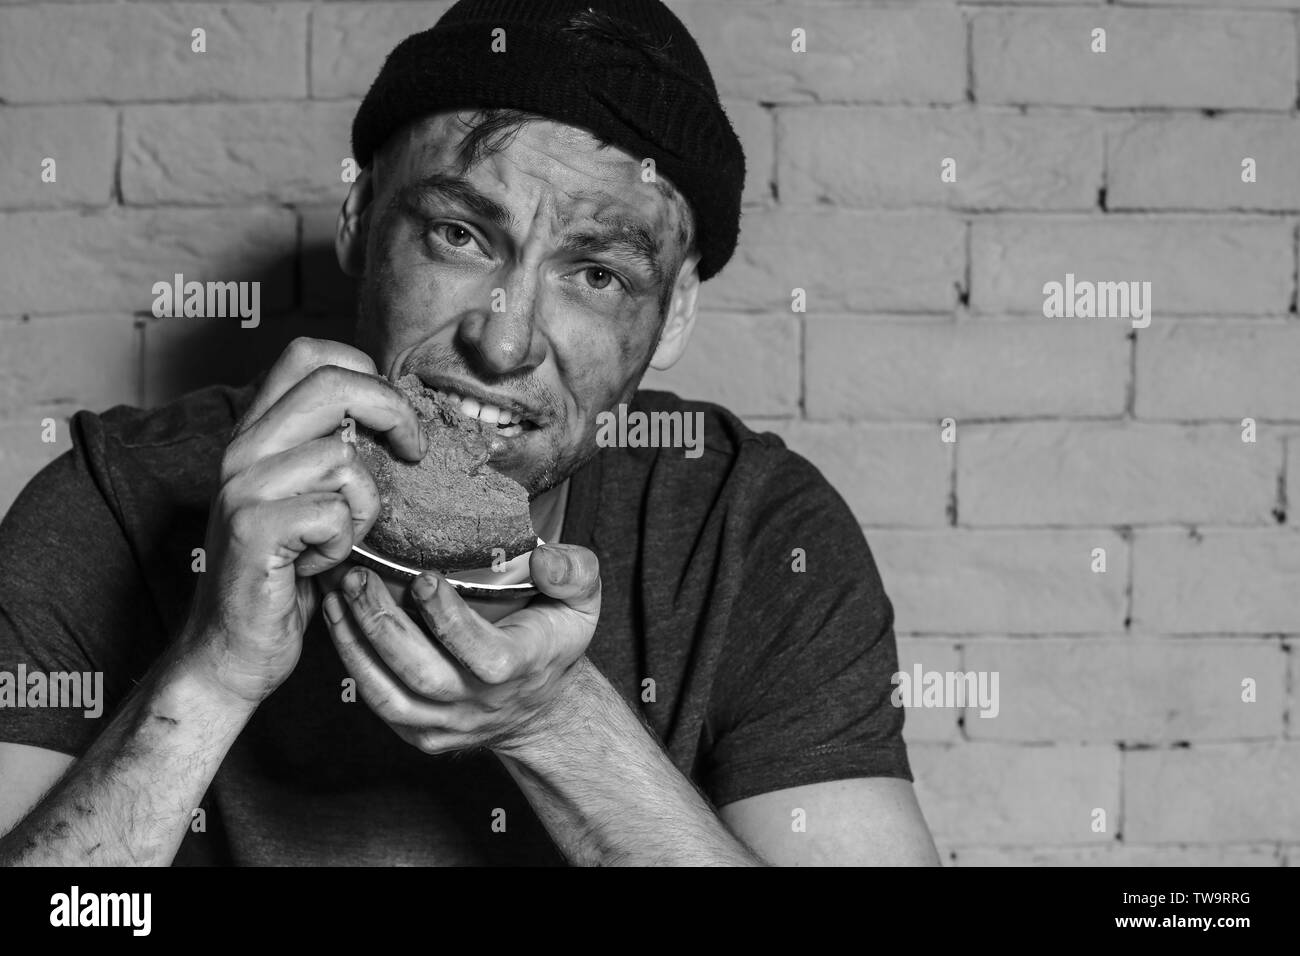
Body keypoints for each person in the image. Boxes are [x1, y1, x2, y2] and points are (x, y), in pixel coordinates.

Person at [0, 0, 939, 866]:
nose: (504, 338)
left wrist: (557, 725)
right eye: (460, 235)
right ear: (362, 218)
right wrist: (209, 678)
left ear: (676, 315)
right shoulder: (116, 501)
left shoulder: (758, 534)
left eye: (597, 274)